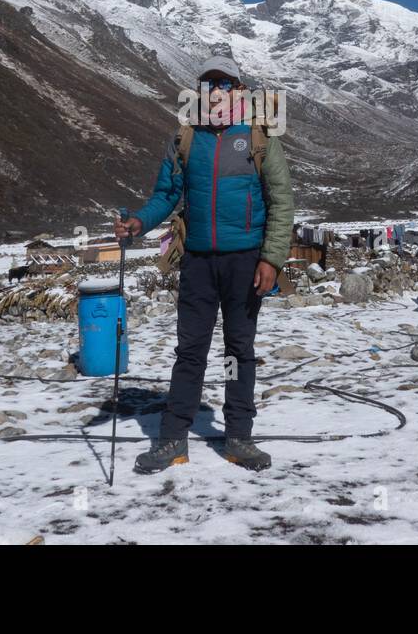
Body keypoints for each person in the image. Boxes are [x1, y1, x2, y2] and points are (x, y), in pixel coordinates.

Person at [115, 56, 294, 474]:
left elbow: (281, 201)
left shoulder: (258, 136)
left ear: (239, 90)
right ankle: (173, 440)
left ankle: (239, 438)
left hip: (245, 261)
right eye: (209, 83)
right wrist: (139, 222)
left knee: (238, 350)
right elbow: (166, 195)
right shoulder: (186, 138)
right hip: (197, 260)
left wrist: (271, 259)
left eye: (225, 83)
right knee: (190, 351)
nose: (217, 91)